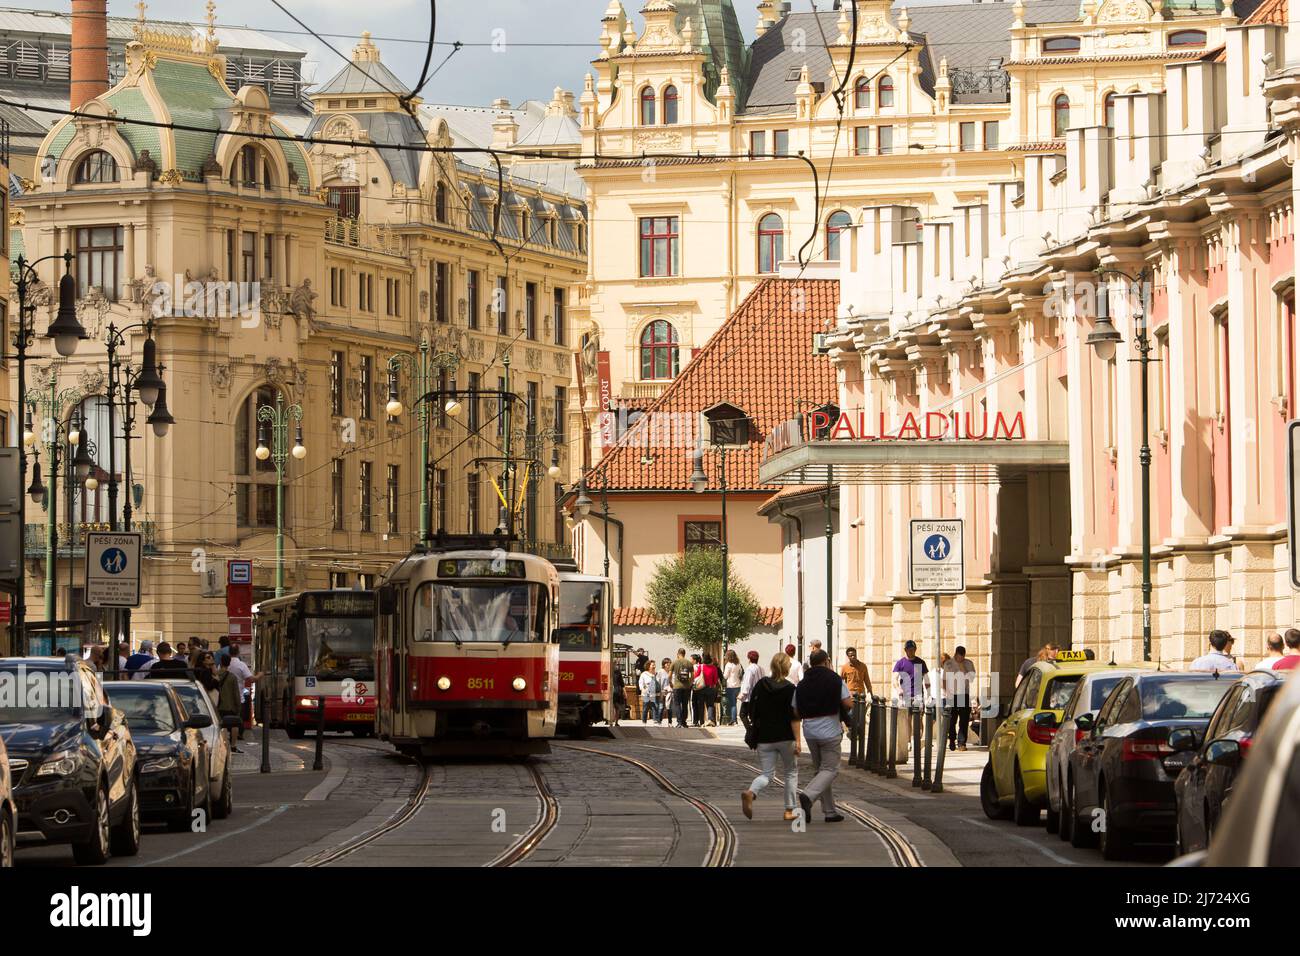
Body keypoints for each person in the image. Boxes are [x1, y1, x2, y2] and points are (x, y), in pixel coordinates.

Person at [739, 652, 801, 822]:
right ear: (787, 667)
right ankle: (790, 810)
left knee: (767, 774)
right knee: (790, 772)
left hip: (764, 737)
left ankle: (751, 792)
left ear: (772, 666)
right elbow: (795, 716)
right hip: (786, 736)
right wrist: (798, 741)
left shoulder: (761, 685)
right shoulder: (790, 689)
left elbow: (752, 709)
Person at [793, 649, 852, 824]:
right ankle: (808, 796)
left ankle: (830, 812)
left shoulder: (802, 683)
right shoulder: (834, 679)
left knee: (821, 771)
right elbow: (848, 703)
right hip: (830, 730)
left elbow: (795, 710)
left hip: (810, 731)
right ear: (826, 661)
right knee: (831, 769)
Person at [942, 646, 977, 751]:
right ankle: (952, 740)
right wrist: (947, 692)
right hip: (952, 694)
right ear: (955, 654)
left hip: (963, 694)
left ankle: (961, 743)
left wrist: (962, 666)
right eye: (958, 656)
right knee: (952, 720)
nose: (960, 658)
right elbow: (944, 680)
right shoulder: (948, 664)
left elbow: (971, 679)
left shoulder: (968, 663)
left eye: (962, 656)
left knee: (964, 720)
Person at [224, 643, 261, 740]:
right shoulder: (241, 665)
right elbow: (251, 679)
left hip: (225, 697)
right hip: (238, 696)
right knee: (237, 719)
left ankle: (228, 736)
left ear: (229, 652)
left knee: (226, 718)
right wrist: (260, 675)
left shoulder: (224, 664)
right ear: (238, 652)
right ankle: (236, 737)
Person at [215, 657, 244, 752]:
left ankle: (219, 745)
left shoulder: (215, 675)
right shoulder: (232, 677)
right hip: (229, 706)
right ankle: (233, 745)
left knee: (219, 725)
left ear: (220, 662)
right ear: (229, 664)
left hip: (217, 706)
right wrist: (238, 707)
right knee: (234, 724)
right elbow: (236, 694)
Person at [892, 640, 928, 705]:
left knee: (918, 715)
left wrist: (929, 693)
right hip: (905, 696)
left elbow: (926, 679)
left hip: (918, 696)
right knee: (906, 715)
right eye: (909, 649)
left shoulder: (921, 662)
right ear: (905, 650)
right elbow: (894, 679)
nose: (911, 651)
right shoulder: (900, 663)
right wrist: (898, 689)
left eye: (912, 649)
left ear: (915, 650)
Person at [670, 649, 694, 729]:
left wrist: (671, 683)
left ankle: (679, 722)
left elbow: (669, 675)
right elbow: (692, 676)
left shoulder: (674, 662)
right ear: (684, 654)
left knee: (677, 704)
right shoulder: (689, 663)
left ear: (678, 654)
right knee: (685, 704)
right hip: (686, 687)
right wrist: (690, 683)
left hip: (677, 686)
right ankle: (684, 722)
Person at [698, 653, 721, 727]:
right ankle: (710, 720)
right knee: (710, 705)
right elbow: (715, 680)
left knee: (701, 705)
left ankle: (701, 721)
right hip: (711, 688)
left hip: (701, 688)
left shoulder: (700, 667)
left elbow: (696, 677)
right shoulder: (714, 668)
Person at [722, 649, 743, 726]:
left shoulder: (728, 665)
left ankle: (734, 720)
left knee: (732, 704)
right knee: (735, 703)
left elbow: (725, 676)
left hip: (730, 686)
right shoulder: (738, 664)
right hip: (738, 685)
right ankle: (733, 720)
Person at [659, 657, 674, 724]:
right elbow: (657, 681)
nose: (668, 665)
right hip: (662, 691)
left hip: (669, 691)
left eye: (669, 664)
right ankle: (659, 721)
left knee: (669, 707)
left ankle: (670, 722)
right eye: (667, 664)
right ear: (664, 664)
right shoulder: (660, 672)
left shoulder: (671, 672)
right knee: (661, 707)